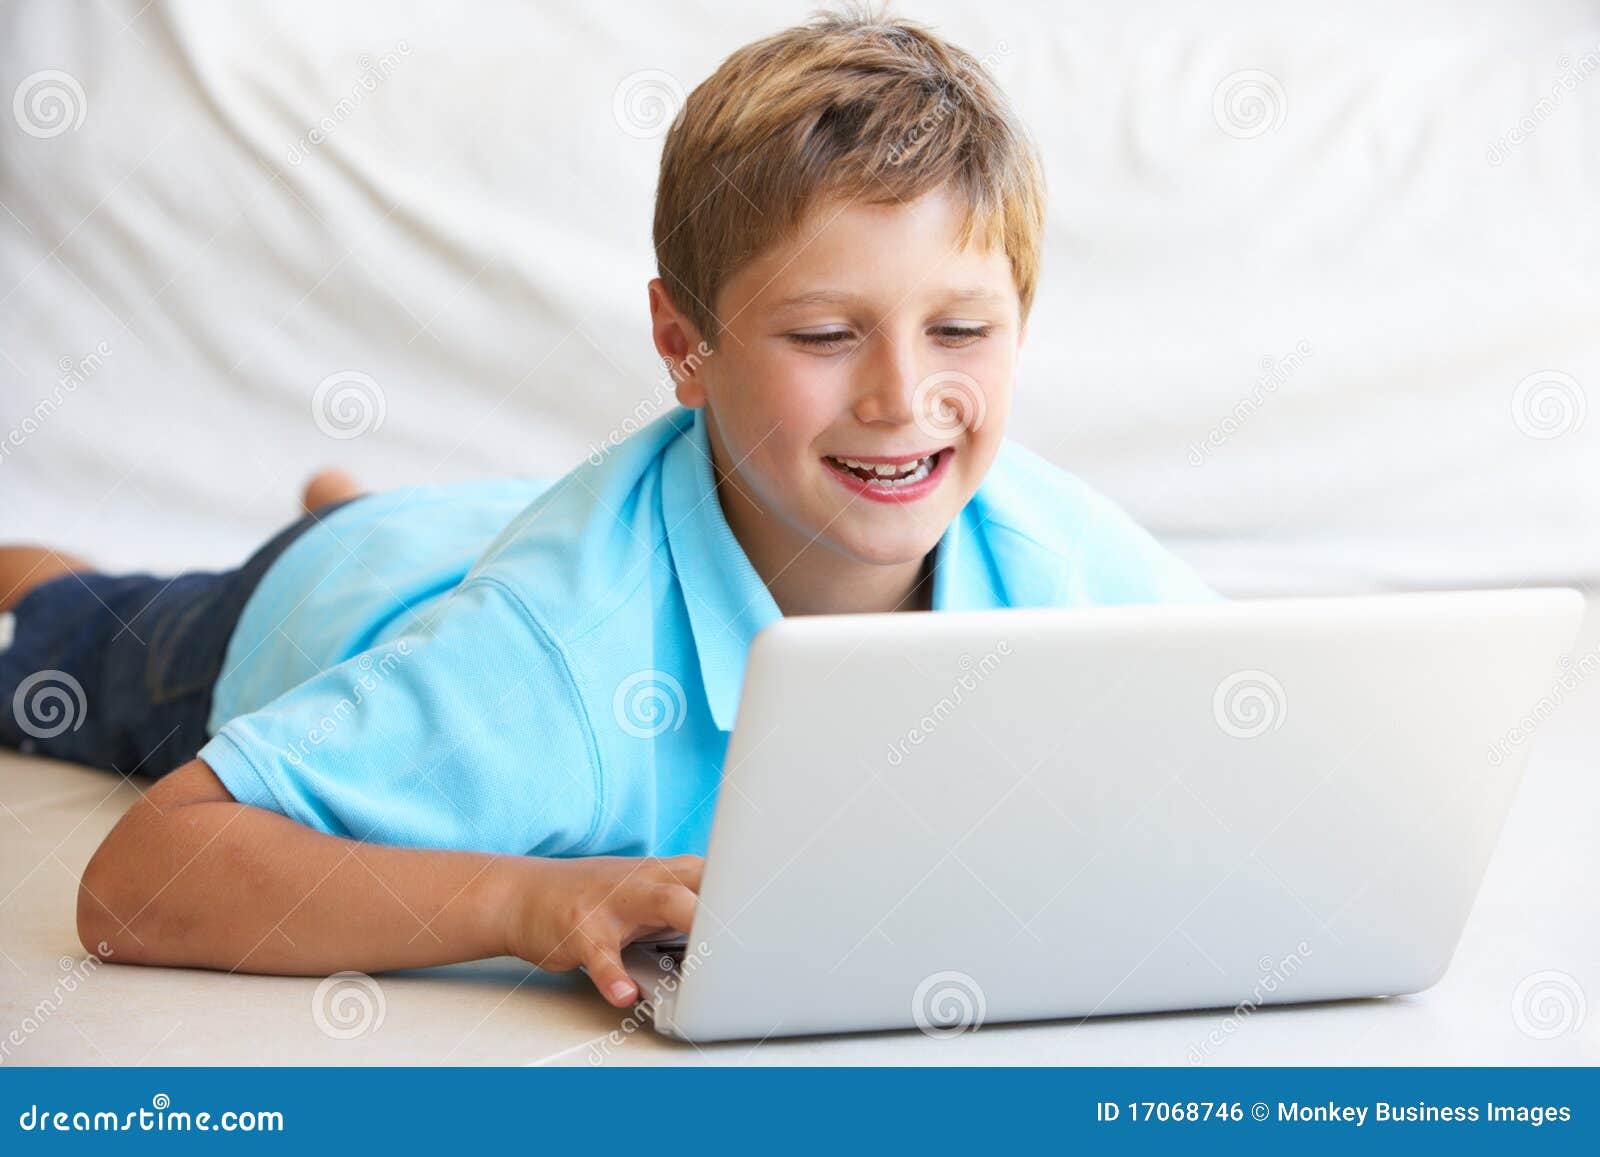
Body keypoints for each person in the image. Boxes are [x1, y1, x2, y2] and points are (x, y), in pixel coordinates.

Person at [0, 7, 1218, 1008]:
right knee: (91, 623)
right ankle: (66, 573)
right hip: (306, 604)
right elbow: (136, 880)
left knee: (458, 554)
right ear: (683, 345)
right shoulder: (544, 667)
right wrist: (532, 900)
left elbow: (1261, 725)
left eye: (960, 329)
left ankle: (359, 508)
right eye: (826, 335)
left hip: (496, 536)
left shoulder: (1058, 556)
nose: (906, 396)